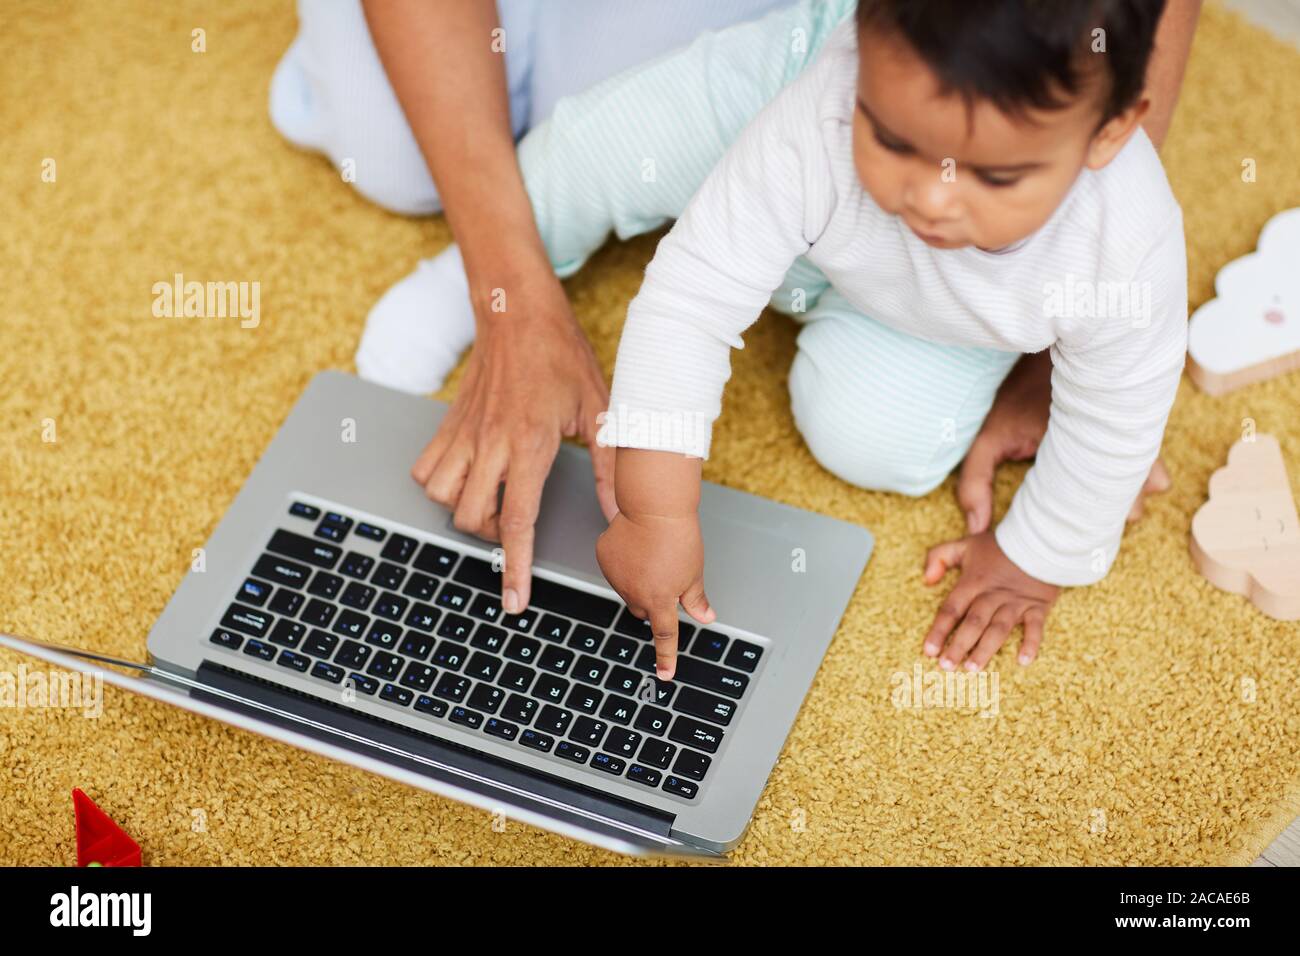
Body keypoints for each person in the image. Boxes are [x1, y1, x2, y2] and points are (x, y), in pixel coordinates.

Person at [269, 0, 1200, 639]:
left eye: (996, 176)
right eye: (893, 139)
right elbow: (693, 294)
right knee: (602, 150)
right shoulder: (820, 106)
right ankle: (479, 278)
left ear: (1111, 134)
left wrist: (1039, 555)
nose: (929, 198)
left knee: (880, 444)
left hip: (920, 306)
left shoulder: (1126, 245)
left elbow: (1121, 401)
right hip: (755, 135)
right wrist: (657, 509)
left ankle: (843, 299)